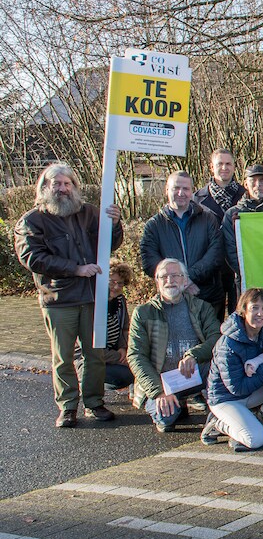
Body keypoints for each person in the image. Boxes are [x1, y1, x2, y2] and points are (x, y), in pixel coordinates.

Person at [14, 163, 123, 427]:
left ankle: (95, 402)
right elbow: (32, 258)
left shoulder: (89, 213)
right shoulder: (31, 221)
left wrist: (116, 224)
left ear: (75, 186)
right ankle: (68, 406)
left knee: (95, 353)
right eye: (57, 184)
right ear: (45, 187)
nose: (63, 189)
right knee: (63, 356)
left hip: (92, 296)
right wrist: (75, 269)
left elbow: (109, 244)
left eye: (67, 184)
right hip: (58, 299)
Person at [127, 259, 221, 432]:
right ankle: (174, 404)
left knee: (222, 364)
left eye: (175, 275)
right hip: (161, 382)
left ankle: (218, 408)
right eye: (164, 276)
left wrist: (194, 355)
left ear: (185, 281)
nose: (170, 280)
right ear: (157, 282)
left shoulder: (201, 307)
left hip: (194, 374)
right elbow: (135, 356)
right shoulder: (143, 313)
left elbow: (216, 337)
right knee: (166, 420)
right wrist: (158, 392)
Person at [140, 170, 226, 318]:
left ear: (192, 191)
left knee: (211, 341)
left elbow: (216, 253)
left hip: (207, 296)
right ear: (167, 190)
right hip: (171, 299)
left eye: (186, 189)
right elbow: (149, 260)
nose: (181, 193)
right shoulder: (154, 225)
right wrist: (177, 281)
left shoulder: (208, 219)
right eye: (176, 188)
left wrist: (189, 278)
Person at [205, 287, 263, 451]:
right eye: (255, 308)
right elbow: (237, 388)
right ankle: (218, 424)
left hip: (250, 392)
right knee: (256, 440)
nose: (260, 313)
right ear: (244, 310)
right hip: (226, 399)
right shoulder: (228, 345)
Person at [194, 148, 244, 317]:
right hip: (210, 268)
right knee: (211, 318)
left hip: (238, 265)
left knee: (238, 315)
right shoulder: (197, 199)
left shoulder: (245, 195)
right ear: (211, 167)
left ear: (234, 167)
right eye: (220, 164)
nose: (224, 167)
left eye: (228, 163)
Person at [222, 164, 263, 278]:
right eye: (253, 180)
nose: (258, 185)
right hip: (246, 277)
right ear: (245, 184)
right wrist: (247, 272)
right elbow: (230, 251)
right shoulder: (233, 214)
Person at [87, 261, 135, 390]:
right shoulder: (92, 303)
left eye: (120, 283)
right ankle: (89, 387)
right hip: (91, 359)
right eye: (112, 282)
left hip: (115, 354)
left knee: (139, 364)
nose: (116, 287)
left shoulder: (120, 301)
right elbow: (90, 348)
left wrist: (123, 348)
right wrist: (119, 357)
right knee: (129, 372)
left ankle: (138, 394)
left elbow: (125, 328)